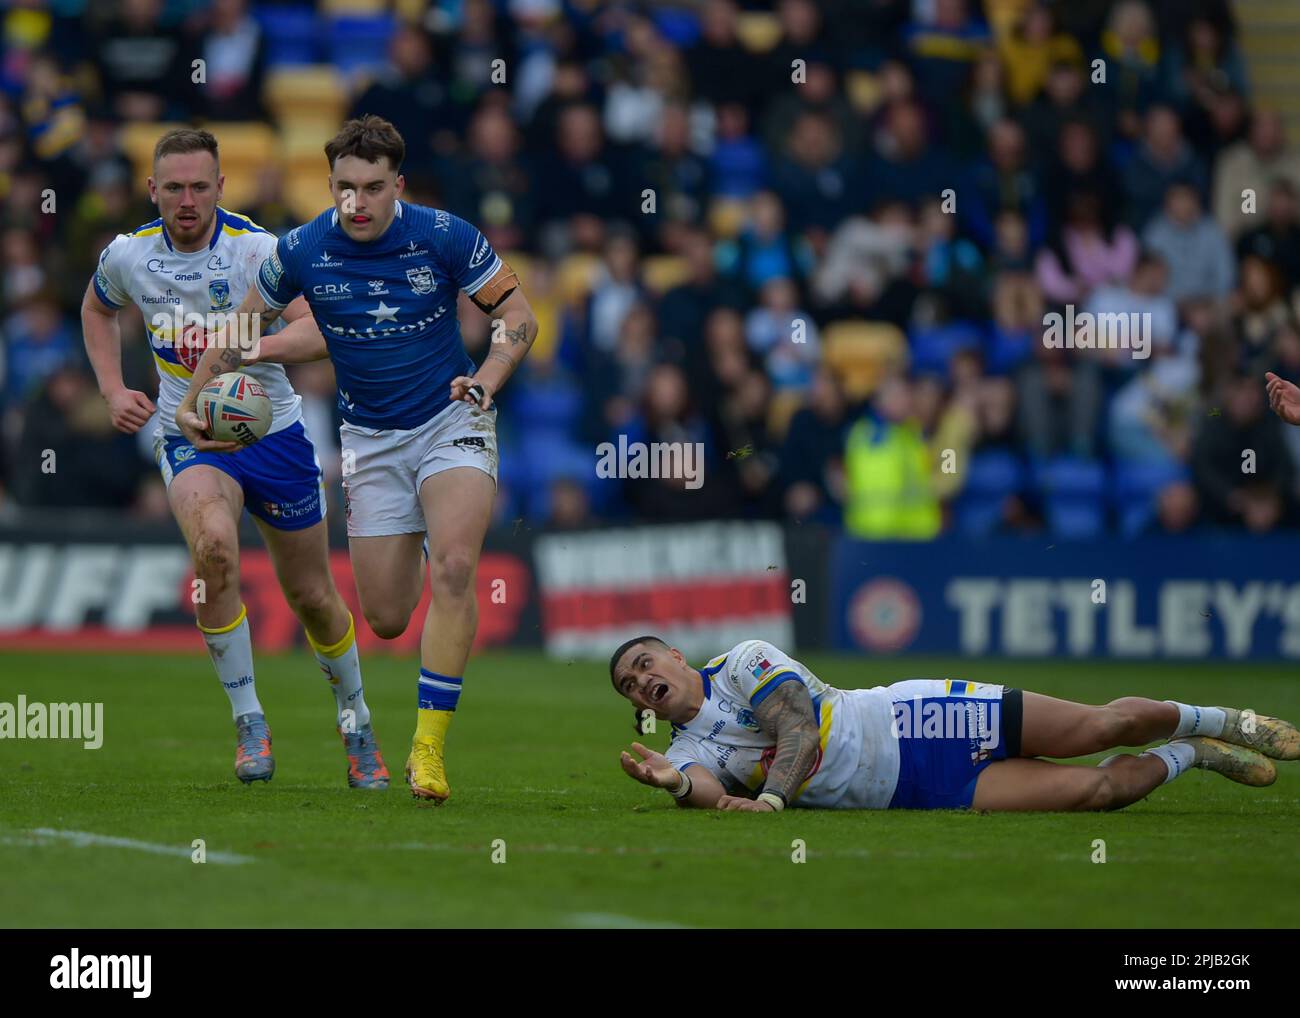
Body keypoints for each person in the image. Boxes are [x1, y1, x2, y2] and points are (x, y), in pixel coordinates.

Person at [177, 116, 539, 804]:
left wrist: (488, 378)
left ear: (397, 184)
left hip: (450, 417)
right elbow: (244, 326)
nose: (358, 203)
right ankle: (422, 578)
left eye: (373, 187)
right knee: (387, 617)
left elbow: (519, 316)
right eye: (345, 187)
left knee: (458, 566)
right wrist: (192, 406)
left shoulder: (445, 235)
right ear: (331, 185)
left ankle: (427, 752)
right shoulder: (302, 249)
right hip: (370, 441)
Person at [82, 128, 387, 788]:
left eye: (199, 186)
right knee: (213, 552)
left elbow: (317, 332)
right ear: (152, 190)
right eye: (174, 188)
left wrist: (248, 348)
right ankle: (249, 720)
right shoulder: (128, 257)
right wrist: (112, 388)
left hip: (273, 435)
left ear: (221, 186)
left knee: (312, 596)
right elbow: (96, 308)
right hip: (189, 435)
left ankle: (356, 720)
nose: (186, 200)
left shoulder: (258, 250)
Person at [610, 636, 1298, 811]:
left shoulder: (743, 662)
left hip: (920, 720)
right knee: (1098, 794)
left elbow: (796, 730)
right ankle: (1196, 754)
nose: (642, 679)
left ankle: (1229, 719)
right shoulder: (690, 746)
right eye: (630, 686)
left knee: (1100, 728)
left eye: (644, 662)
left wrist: (766, 800)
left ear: (674, 653)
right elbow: (702, 787)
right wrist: (673, 786)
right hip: (917, 790)